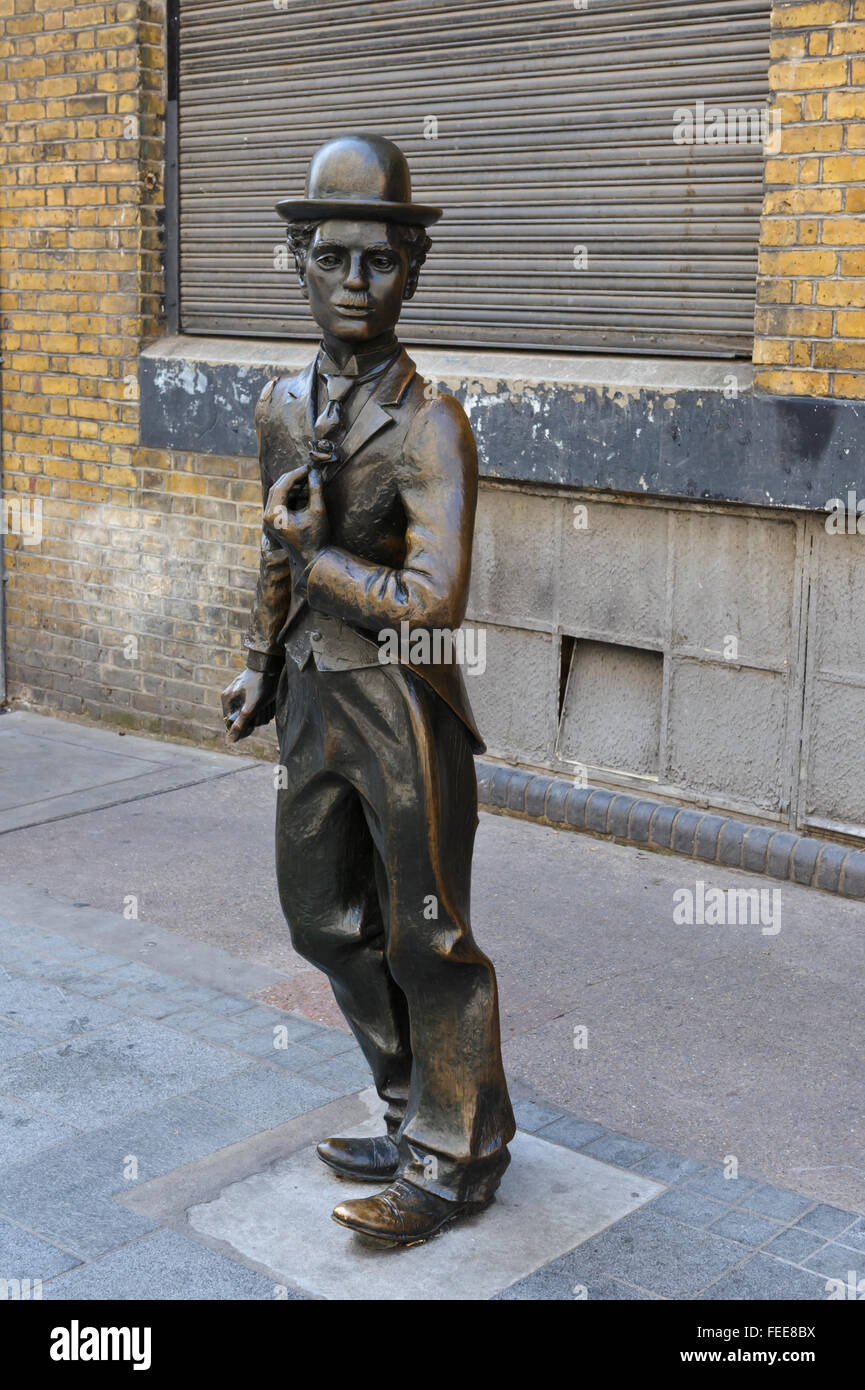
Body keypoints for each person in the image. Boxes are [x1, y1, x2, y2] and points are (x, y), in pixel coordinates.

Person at [221, 133, 514, 1245]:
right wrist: (258, 662)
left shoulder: (433, 423)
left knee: (426, 933)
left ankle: (456, 1156)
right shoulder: (278, 406)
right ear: (296, 262)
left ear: (411, 272)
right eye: (333, 258)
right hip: (308, 696)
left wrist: (319, 562)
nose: (356, 282)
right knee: (322, 920)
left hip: (402, 706)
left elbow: (433, 598)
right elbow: (269, 543)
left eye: (379, 262)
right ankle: (410, 1108)